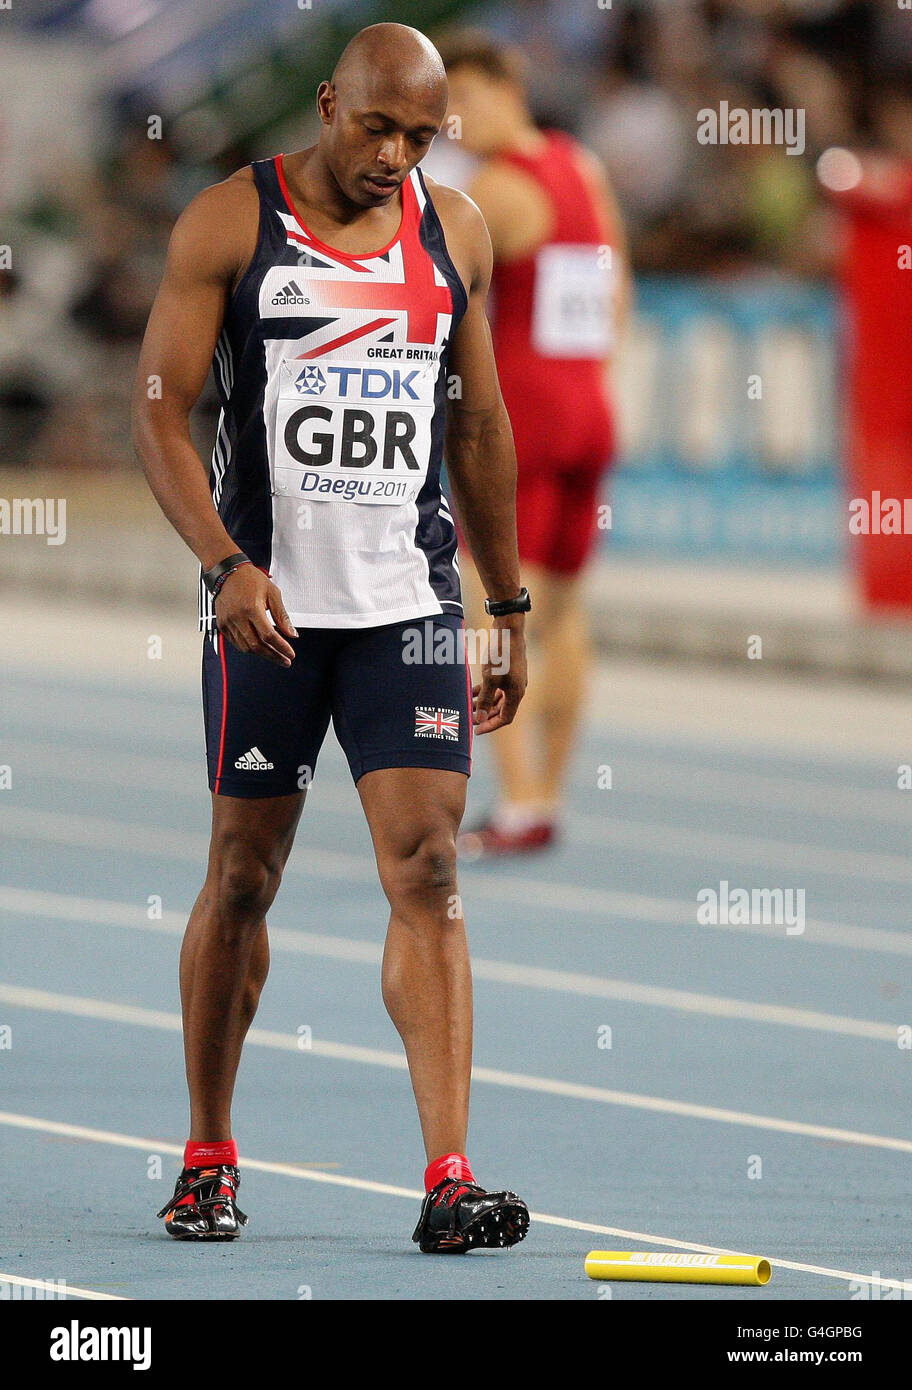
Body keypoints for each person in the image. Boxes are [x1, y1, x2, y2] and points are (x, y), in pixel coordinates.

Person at [132, 22, 531, 1255]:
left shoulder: (453, 229)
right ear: (325, 103)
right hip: (271, 615)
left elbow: (478, 427)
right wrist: (223, 563)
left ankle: (450, 1176)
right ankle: (207, 1153)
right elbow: (158, 411)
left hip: (405, 612)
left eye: (420, 135)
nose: (396, 154)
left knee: (430, 869)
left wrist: (506, 605)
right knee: (245, 875)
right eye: (378, 127)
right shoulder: (228, 222)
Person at [435, 29, 629, 858]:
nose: (447, 126)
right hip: (589, 404)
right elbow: (618, 281)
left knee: (495, 607)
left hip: (522, 420)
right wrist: (590, 376)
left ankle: (517, 803)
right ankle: (546, 792)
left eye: (455, 107)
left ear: (498, 91)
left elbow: (435, 303)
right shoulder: (580, 165)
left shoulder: (498, 192)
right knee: (566, 611)